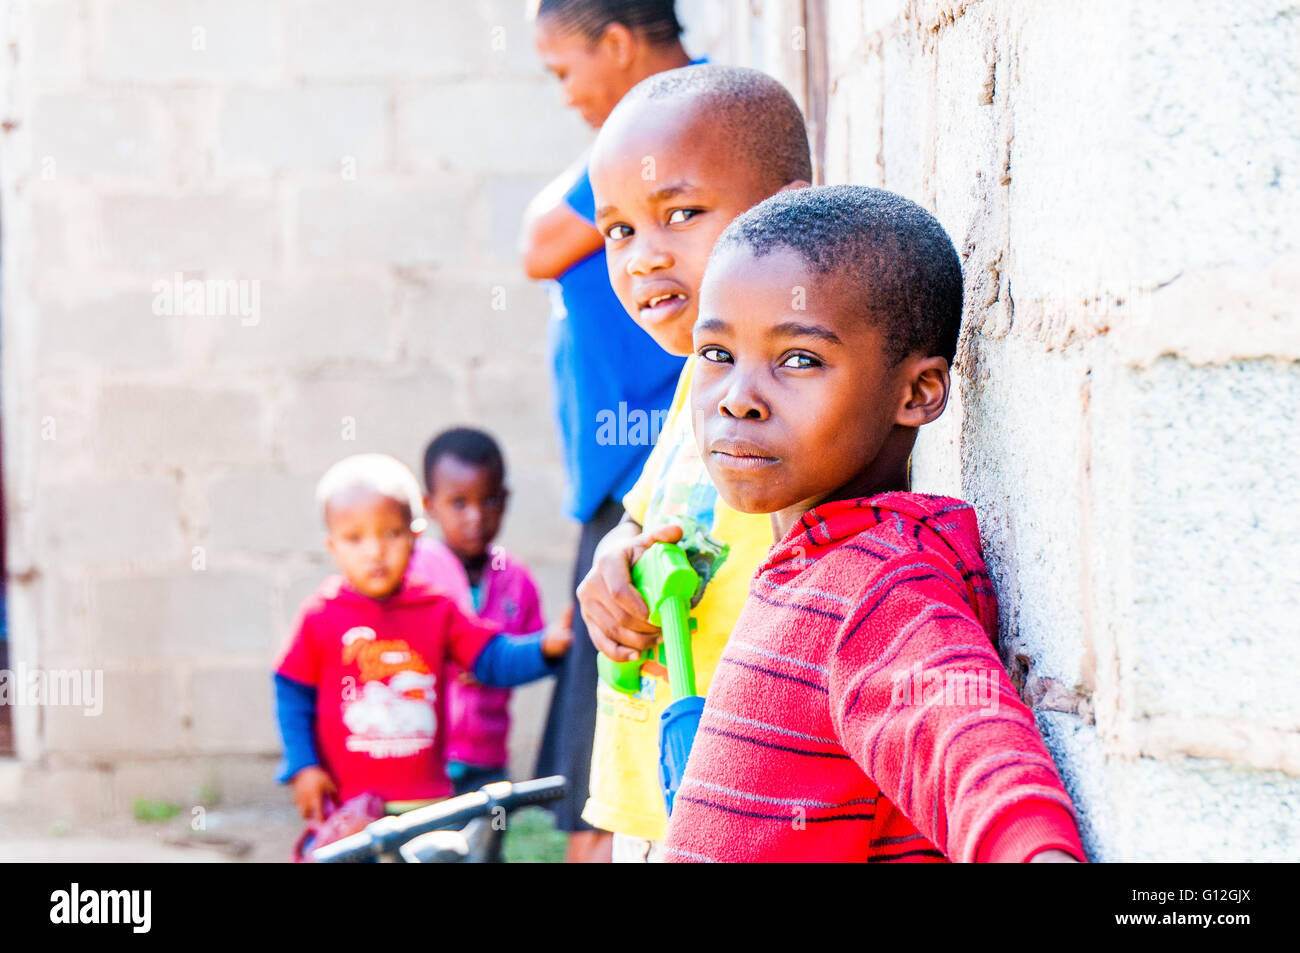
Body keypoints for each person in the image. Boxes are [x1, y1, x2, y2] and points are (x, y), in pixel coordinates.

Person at [663, 186, 1087, 862]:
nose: (738, 398)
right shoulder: (808, 565)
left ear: (917, 392)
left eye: (799, 359)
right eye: (717, 353)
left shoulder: (882, 587)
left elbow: (972, 753)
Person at [575, 64, 811, 861]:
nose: (642, 258)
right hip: (652, 793)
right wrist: (614, 560)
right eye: (619, 231)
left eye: (679, 213)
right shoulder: (694, 377)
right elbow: (644, 513)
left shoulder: (802, 392)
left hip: (749, 795)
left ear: (784, 210)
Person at [521, 0, 694, 862]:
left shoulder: (676, 121)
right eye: (620, 230)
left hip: (649, 472)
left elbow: (539, 241)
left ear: (619, 44)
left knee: (609, 790)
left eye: (564, 72)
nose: (564, 98)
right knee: (604, 770)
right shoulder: (644, 132)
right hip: (623, 477)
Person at [272, 454, 571, 832]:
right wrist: (303, 767)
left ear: (415, 538)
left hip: (428, 807)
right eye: (355, 538)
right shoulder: (321, 615)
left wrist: (546, 647)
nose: (375, 552)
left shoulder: (437, 608)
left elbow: (492, 658)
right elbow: (291, 691)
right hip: (350, 810)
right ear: (332, 546)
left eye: (391, 534)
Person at [407, 427, 567, 797]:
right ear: (430, 506)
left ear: (506, 500)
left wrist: (498, 663)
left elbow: (533, 653)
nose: (476, 517)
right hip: (426, 756)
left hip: (487, 757)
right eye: (459, 503)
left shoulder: (517, 580)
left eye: (490, 501)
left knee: (484, 844)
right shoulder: (415, 573)